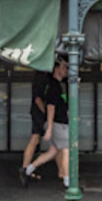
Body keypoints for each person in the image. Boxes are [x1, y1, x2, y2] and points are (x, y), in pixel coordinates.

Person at [22, 58, 70, 187]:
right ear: (56, 68)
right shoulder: (53, 86)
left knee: (53, 151)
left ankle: (28, 170)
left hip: (58, 122)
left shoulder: (56, 85)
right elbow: (50, 107)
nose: (67, 70)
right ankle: (68, 182)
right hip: (58, 124)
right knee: (66, 150)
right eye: (64, 67)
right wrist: (49, 126)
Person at [18, 66, 54, 187]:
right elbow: (38, 99)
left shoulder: (39, 77)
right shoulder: (41, 78)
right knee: (35, 139)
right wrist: (45, 113)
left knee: (35, 139)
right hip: (39, 112)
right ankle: (25, 167)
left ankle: (25, 168)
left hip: (36, 112)